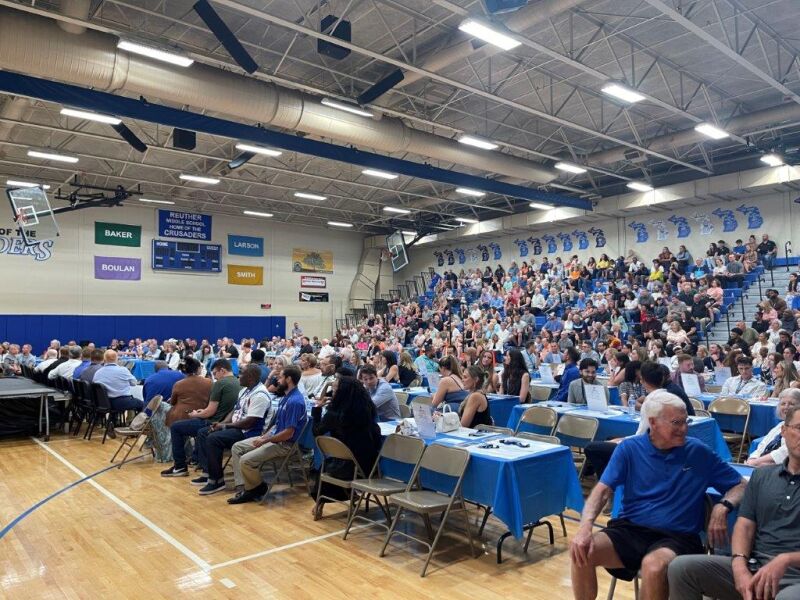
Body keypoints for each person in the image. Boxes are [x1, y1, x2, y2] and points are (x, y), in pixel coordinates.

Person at [570, 391, 746, 600]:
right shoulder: (629, 448)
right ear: (653, 423)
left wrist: (723, 505)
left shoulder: (698, 452)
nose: (684, 428)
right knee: (581, 552)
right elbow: (602, 491)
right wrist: (585, 527)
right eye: (676, 423)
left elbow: (740, 485)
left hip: (678, 537)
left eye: (685, 421)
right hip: (631, 529)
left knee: (653, 567)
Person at [668, 403, 800, 600]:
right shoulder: (761, 476)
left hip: (795, 579)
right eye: (799, 428)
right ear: (783, 431)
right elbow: (745, 525)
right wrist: (739, 565)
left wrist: (786, 559)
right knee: (681, 569)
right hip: (756, 566)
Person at [225, 365, 303, 503]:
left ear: (289, 379)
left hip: (285, 445)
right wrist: (264, 436)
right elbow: (277, 426)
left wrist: (265, 441)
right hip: (274, 439)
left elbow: (288, 434)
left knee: (246, 460)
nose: (277, 380)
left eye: (280, 377)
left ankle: (257, 488)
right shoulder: (286, 397)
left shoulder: (295, 401)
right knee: (237, 447)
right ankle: (244, 487)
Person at [306, 375, 381, 516]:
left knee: (326, 465)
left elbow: (317, 431)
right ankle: (351, 494)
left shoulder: (334, 414)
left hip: (345, 466)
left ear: (341, 393)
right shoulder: (367, 410)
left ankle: (320, 503)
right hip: (367, 465)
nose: (332, 393)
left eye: (334, 390)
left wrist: (317, 409)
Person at [193, 364, 271, 496]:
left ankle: (217, 480)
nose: (238, 376)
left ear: (251, 378)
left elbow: (249, 423)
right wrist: (223, 423)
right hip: (238, 428)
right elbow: (235, 410)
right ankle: (208, 473)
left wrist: (224, 427)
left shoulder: (260, 395)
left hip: (250, 433)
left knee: (213, 438)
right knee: (204, 432)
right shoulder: (245, 390)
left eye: (241, 373)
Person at [160, 359, 240, 477]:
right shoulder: (236, 382)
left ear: (222, 371)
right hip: (222, 419)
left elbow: (210, 411)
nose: (215, 377)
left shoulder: (219, 383)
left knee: (176, 427)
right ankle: (194, 459)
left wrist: (196, 414)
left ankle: (180, 466)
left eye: (215, 373)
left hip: (210, 420)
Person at [145, 357, 212, 462]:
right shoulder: (209, 382)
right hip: (202, 414)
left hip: (181, 416)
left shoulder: (179, 384)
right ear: (198, 368)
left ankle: (173, 456)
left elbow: (172, 402)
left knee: (165, 414)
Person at [746, 388, 800, 467]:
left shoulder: (797, 429)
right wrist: (752, 459)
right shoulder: (780, 426)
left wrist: (757, 462)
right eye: (783, 404)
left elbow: (786, 451)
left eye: (791, 404)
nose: (786, 407)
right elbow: (762, 446)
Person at [92, 349, 143, 413]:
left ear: (104, 359)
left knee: (132, 401)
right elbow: (134, 383)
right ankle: (135, 422)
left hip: (103, 403)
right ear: (117, 359)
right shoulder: (123, 370)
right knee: (143, 405)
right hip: (122, 402)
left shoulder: (98, 372)